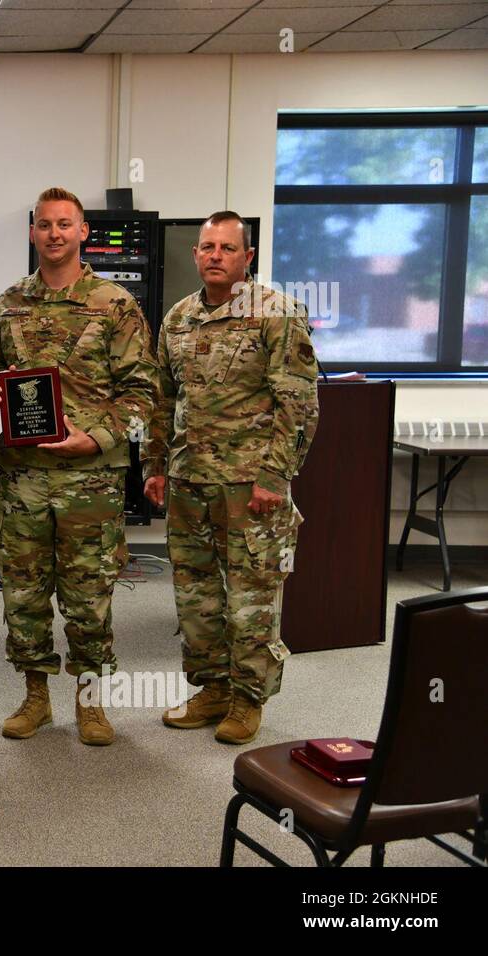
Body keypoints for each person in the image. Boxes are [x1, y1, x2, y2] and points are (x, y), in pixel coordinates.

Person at [0, 186, 158, 746]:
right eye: (44, 225)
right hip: (23, 477)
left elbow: (143, 393)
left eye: (65, 225)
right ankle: (35, 697)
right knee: (23, 593)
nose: (54, 234)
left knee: (88, 594)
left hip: (91, 480)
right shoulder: (9, 302)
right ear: (33, 232)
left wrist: (98, 437)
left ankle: (90, 701)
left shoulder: (116, 304)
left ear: (84, 232)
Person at [145, 211, 319, 745]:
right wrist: (154, 466)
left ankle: (248, 700)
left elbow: (300, 404)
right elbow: (162, 399)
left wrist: (274, 475)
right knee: (196, 599)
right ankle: (212, 689)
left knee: (252, 600)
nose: (214, 255)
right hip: (189, 482)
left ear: (248, 257)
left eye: (226, 247)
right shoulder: (178, 318)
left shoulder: (278, 315)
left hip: (251, 487)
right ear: (196, 255)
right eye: (206, 247)